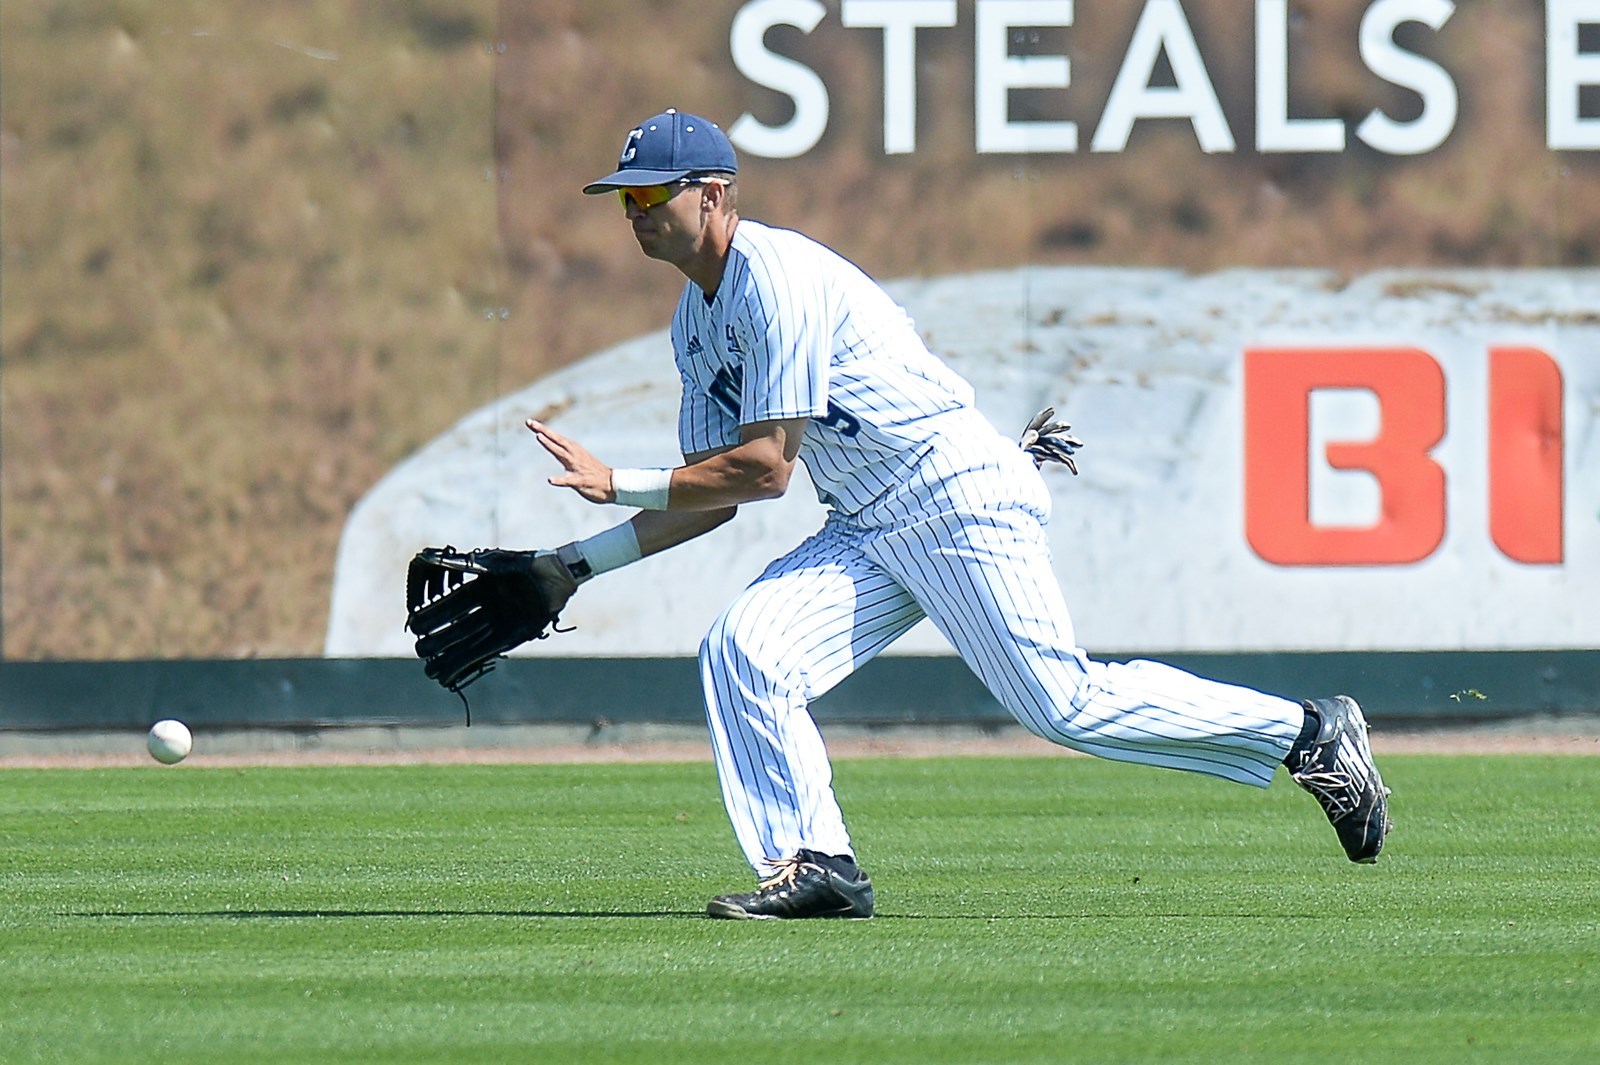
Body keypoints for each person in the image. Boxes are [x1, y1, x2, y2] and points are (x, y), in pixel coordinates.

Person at [521, 109, 1390, 920]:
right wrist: (574, 565)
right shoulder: (692, 323)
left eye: (647, 193)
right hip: (868, 520)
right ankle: (817, 862)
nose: (631, 211)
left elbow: (766, 469)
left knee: (1063, 704)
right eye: (622, 198)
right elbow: (715, 493)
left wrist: (618, 482)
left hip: (951, 491)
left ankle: (1308, 732)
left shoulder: (774, 279)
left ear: (713, 193)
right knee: (745, 648)